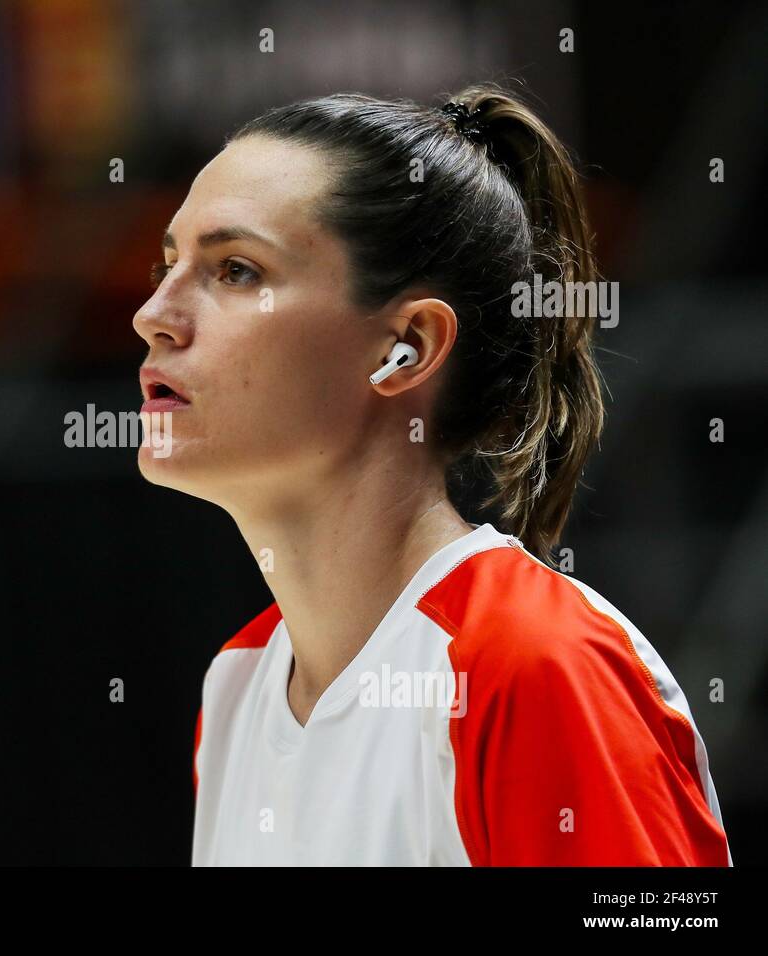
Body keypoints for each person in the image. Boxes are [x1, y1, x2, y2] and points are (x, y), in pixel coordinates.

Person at [132, 83, 731, 866]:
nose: (154, 313)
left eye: (236, 270)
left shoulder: (534, 665)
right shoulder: (238, 685)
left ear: (405, 345)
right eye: (168, 264)